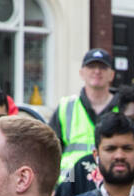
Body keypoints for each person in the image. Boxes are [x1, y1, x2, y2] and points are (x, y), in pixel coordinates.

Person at [49, 49, 120, 184]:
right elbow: (49, 152)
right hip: (70, 183)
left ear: (112, 75)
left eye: (103, 67)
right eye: (91, 66)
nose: (97, 71)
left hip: (111, 184)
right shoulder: (66, 106)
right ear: (82, 73)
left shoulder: (123, 108)